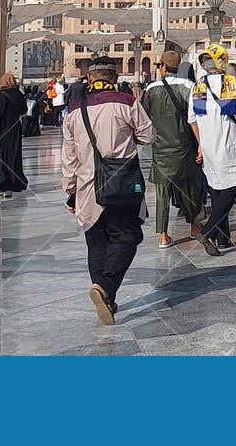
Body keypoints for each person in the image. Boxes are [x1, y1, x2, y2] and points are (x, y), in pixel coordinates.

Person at [62, 64, 150, 324]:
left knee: (97, 242)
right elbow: (148, 135)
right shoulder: (127, 102)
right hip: (122, 184)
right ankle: (105, 287)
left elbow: (70, 158)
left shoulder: (75, 111)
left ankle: (105, 296)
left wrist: (70, 191)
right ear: (115, 79)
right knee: (128, 235)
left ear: (90, 79)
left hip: (88, 187)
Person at [143, 48, 204, 248]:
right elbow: (199, 117)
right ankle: (195, 227)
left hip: (161, 150)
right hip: (185, 147)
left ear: (162, 67)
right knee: (189, 189)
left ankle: (162, 236)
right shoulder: (190, 86)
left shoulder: (151, 89)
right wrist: (201, 145)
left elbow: (144, 118)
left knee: (162, 193)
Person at [186, 49, 236, 257]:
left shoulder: (197, 86)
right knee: (230, 189)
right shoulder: (230, 82)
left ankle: (223, 236)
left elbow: (192, 119)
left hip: (208, 143)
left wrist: (200, 143)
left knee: (217, 189)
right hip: (228, 142)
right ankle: (208, 230)